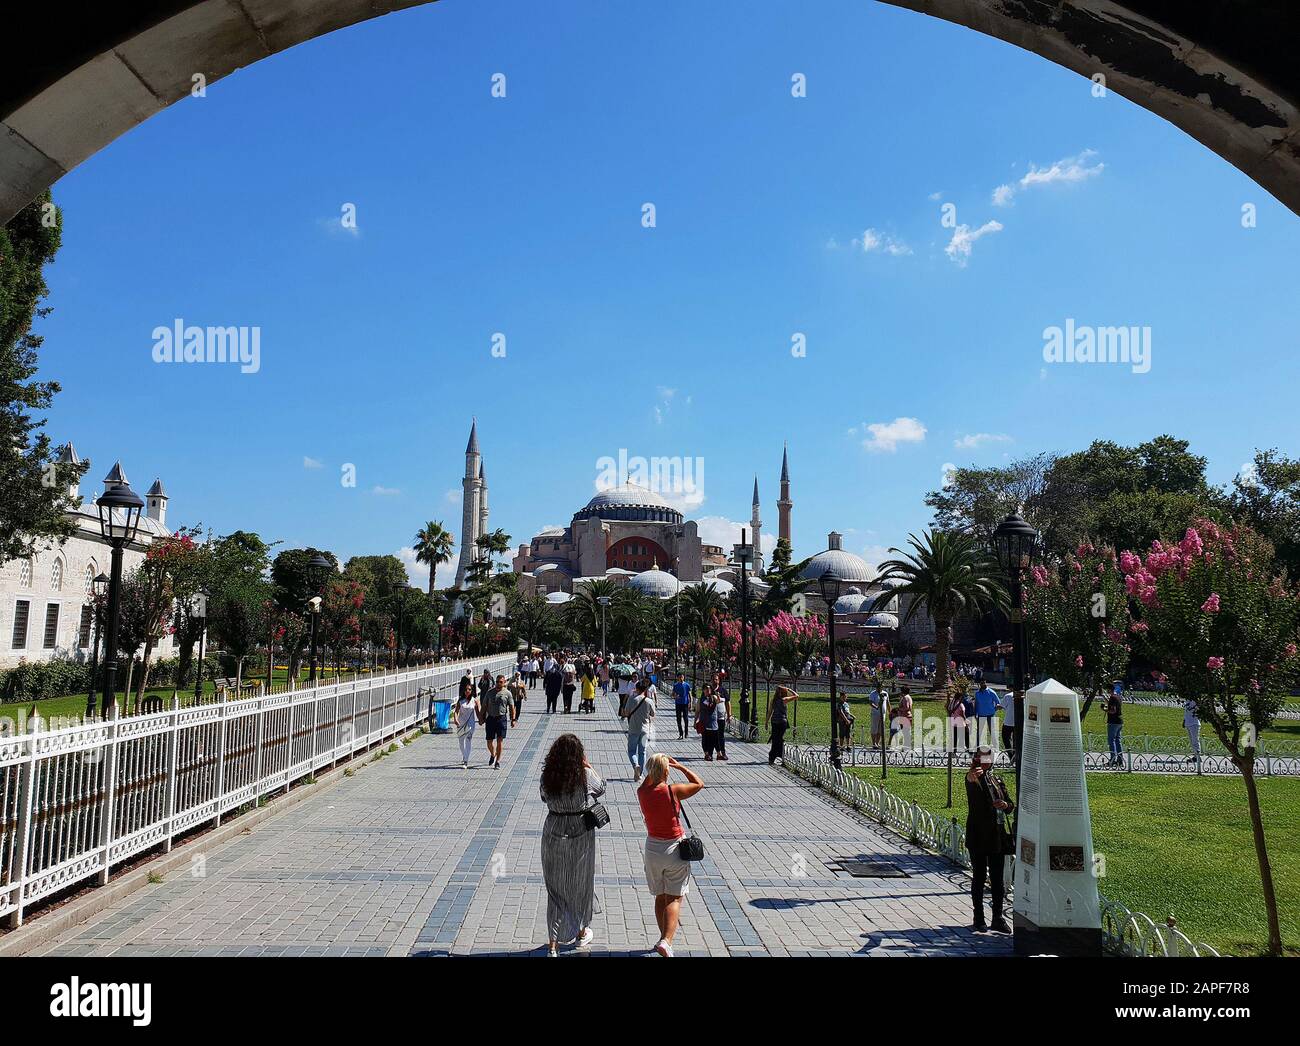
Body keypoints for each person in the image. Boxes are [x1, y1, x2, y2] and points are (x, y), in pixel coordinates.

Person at [539, 733, 604, 956]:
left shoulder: (547, 775)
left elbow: (544, 797)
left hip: (554, 830)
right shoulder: (584, 774)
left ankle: (553, 945)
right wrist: (589, 765)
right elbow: (601, 787)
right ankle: (582, 932)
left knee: (555, 889)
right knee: (582, 884)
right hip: (581, 833)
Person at [636, 754, 703, 957]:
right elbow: (699, 783)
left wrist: (655, 766)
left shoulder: (642, 792)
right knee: (674, 898)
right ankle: (666, 941)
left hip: (652, 850)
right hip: (674, 849)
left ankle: (663, 938)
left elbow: (649, 779)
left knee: (660, 896)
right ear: (666, 771)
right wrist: (680, 766)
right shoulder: (672, 791)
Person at [965, 746, 1013, 933]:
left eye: (988, 757)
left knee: (997, 878)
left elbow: (1010, 805)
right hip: (978, 834)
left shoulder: (997, 779)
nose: (985, 760)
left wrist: (1006, 805)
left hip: (997, 835)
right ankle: (979, 918)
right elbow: (970, 783)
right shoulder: (973, 776)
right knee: (979, 876)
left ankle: (998, 917)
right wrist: (972, 776)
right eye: (981, 756)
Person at [621, 678, 657, 780]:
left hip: (633, 728)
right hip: (645, 730)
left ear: (636, 689)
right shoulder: (649, 701)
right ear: (645, 690)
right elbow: (653, 714)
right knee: (642, 752)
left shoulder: (632, 699)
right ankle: (640, 774)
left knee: (632, 751)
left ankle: (635, 765)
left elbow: (626, 713)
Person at [481, 674, 517, 768]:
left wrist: (513, 719)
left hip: (501, 719)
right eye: (497, 682)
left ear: (504, 682)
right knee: (489, 741)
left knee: (500, 741)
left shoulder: (507, 693)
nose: (498, 683)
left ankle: (497, 761)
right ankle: (493, 754)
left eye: (501, 682)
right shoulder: (490, 692)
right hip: (490, 719)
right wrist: (481, 717)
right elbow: (484, 706)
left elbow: (512, 707)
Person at [766, 684, 799, 765]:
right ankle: (778, 754)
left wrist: (766, 722)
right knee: (780, 739)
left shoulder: (773, 700)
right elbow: (796, 696)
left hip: (774, 721)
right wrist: (789, 689)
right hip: (781, 721)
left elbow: (770, 712)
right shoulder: (784, 699)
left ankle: (773, 756)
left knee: (775, 738)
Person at [453, 677, 479, 769]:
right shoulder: (460, 701)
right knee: (461, 742)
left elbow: (478, 712)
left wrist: (481, 720)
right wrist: (455, 719)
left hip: (470, 724)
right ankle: (464, 755)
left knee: (468, 741)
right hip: (461, 723)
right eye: (466, 689)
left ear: (472, 691)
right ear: (464, 691)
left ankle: (466, 761)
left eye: (469, 689)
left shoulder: (475, 701)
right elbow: (456, 712)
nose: (468, 691)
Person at [697, 684, 722, 760]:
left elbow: (718, 701)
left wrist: (718, 696)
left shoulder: (713, 697)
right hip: (704, 722)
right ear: (703, 690)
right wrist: (695, 721)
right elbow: (697, 711)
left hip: (713, 722)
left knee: (715, 739)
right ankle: (707, 754)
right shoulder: (700, 700)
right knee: (705, 739)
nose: (708, 690)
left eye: (709, 689)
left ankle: (718, 754)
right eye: (706, 689)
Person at [973, 681, 1000, 748]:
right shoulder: (977, 693)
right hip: (981, 715)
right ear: (979, 684)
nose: (982, 684)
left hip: (990, 715)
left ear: (985, 683)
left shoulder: (991, 692)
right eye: (981, 683)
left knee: (992, 731)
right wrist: (975, 714)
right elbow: (976, 704)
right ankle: (977, 746)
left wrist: (994, 710)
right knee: (980, 731)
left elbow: (998, 703)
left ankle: (995, 746)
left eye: (983, 683)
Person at [711, 671, 730, 761]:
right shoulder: (709, 690)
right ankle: (711, 754)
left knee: (721, 736)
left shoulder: (723, 690)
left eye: (716, 679)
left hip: (720, 717)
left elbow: (728, 702)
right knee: (712, 735)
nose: (715, 681)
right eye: (713, 679)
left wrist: (729, 715)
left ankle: (723, 753)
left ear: (719, 681)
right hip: (711, 718)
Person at [1105, 685, 1124, 767]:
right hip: (1119, 721)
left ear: (1110, 690)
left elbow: (1113, 710)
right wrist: (1103, 697)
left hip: (1113, 722)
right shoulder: (1118, 697)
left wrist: (1105, 710)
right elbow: (1111, 704)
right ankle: (1120, 760)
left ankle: (1112, 760)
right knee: (1117, 741)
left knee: (1111, 740)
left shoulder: (1112, 698)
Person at [671, 672, 693, 739]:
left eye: (682, 677)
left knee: (686, 719)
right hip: (678, 704)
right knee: (678, 719)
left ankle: (686, 733)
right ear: (677, 678)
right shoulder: (675, 685)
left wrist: (691, 703)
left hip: (685, 704)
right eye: (680, 677)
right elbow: (672, 694)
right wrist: (675, 696)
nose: (681, 678)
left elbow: (690, 695)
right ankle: (681, 733)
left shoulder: (687, 685)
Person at [947, 686, 969, 753]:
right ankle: (968, 749)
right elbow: (963, 714)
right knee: (966, 736)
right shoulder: (961, 705)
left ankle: (954, 751)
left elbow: (948, 711)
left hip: (954, 723)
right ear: (960, 697)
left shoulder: (951, 704)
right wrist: (966, 723)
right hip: (961, 723)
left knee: (955, 737)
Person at [1000, 689, 1017, 753]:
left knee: (1005, 738)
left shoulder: (1007, 696)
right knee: (1016, 740)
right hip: (1018, 723)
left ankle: (1010, 754)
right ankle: (1016, 755)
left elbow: (1001, 706)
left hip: (1008, 722)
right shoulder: (1024, 696)